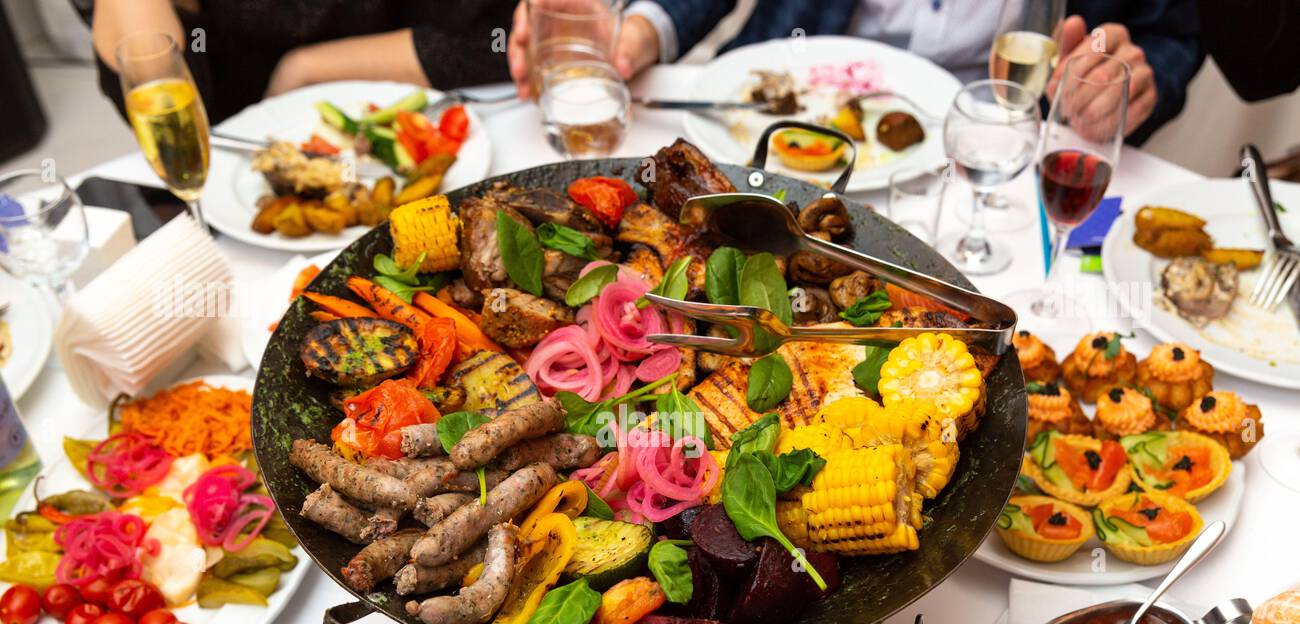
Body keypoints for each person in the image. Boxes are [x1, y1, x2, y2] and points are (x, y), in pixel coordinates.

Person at [507, 0, 1202, 144]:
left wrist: (1129, 85)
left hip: (996, 147)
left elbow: (1173, 33)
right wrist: (628, 38)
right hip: (780, 118)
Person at [83, 0, 514, 124]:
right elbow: (178, 117)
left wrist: (308, 67)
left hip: (440, 131)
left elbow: (513, 35)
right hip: (249, 198)